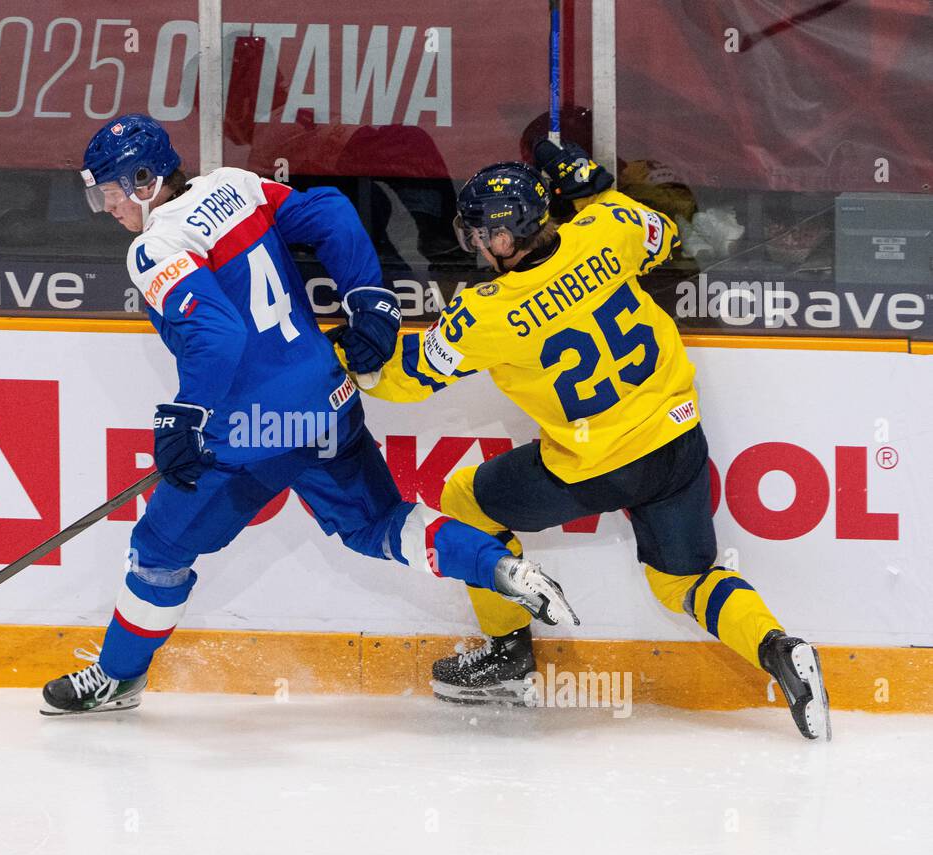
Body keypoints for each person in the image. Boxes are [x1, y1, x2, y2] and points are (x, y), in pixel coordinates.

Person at [40, 114, 577, 716]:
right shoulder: (232, 186)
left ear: (145, 180)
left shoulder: (156, 247)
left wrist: (183, 417)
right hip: (329, 400)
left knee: (159, 549)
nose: (106, 205)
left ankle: (117, 678)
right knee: (378, 524)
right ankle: (498, 566)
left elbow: (215, 335)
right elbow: (328, 211)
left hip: (251, 433)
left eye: (111, 189)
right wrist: (368, 299)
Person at [341, 140, 830, 741]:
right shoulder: (605, 228)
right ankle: (779, 647)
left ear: (507, 235)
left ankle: (507, 661)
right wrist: (595, 190)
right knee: (685, 581)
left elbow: (407, 382)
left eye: (479, 233)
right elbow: (662, 232)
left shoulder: (485, 314)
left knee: (468, 497)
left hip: (599, 465)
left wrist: (349, 355)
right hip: (678, 445)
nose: (472, 245)